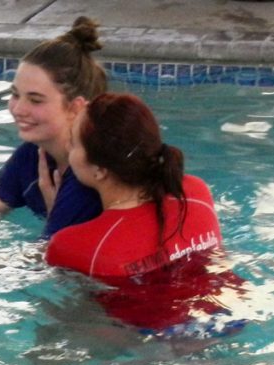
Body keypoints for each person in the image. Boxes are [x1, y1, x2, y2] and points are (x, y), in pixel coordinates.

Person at [45, 93, 245, 335]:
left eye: (73, 143)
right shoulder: (195, 193)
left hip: (157, 342)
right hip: (234, 312)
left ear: (99, 170)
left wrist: (54, 216)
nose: (67, 148)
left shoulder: (75, 245)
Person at [0, 16, 106, 238]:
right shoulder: (31, 156)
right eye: (15, 94)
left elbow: (47, 262)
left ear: (75, 107)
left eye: (35, 100)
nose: (18, 109)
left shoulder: (90, 175)